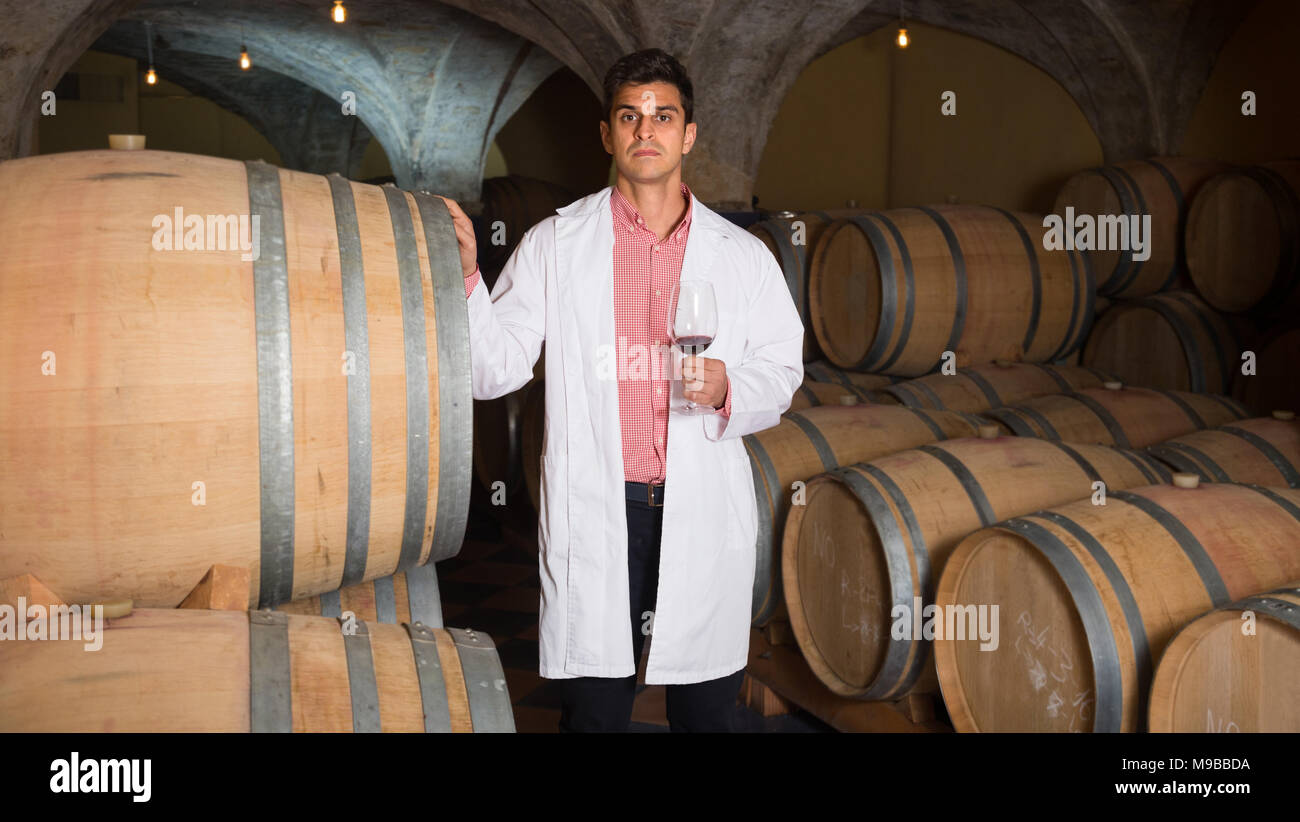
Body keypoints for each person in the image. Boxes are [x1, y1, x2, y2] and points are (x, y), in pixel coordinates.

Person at [436, 48, 803, 732]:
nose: (646, 130)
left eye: (663, 116)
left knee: (705, 711)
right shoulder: (555, 243)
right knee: (594, 713)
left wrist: (729, 385)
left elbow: (783, 373)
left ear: (687, 134)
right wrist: (465, 279)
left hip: (700, 513)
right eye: (629, 116)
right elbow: (494, 366)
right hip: (599, 510)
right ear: (608, 134)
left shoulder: (743, 256)